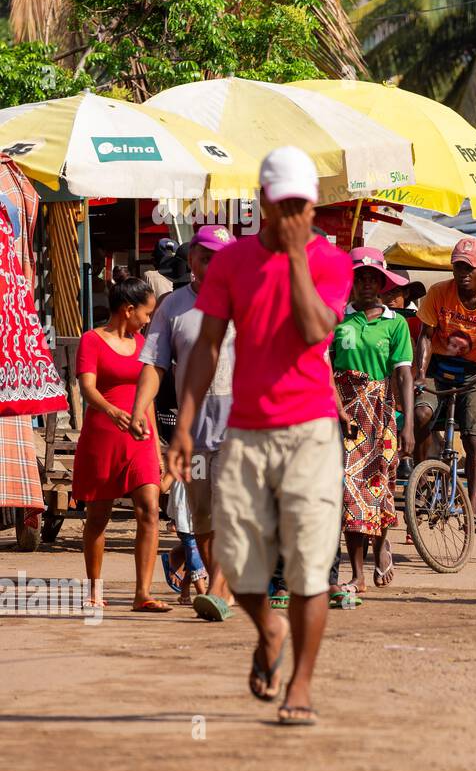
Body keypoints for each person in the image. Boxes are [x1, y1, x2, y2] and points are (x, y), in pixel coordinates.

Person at [169, 145, 353, 726]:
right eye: (283, 204)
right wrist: (186, 424)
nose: (295, 213)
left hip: (311, 430)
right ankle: (267, 627)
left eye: (303, 204)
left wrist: (297, 258)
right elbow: (207, 346)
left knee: (307, 563)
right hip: (246, 429)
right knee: (236, 559)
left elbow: (313, 329)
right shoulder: (231, 263)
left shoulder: (330, 260)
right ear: (262, 205)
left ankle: (300, 683)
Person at [132, 225, 237, 623]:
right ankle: (221, 588)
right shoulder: (172, 307)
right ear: (191, 260)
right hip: (192, 432)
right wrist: (141, 408)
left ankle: (216, 589)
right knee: (204, 516)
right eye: (207, 256)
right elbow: (155, 364)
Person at [73, 277, 167, 611]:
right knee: (98, 516)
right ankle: (94, 589)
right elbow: (87, 389)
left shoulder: (145, 344)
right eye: (146, 312)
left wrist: (157, 448)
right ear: (128, 309)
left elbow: (150, 397)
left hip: (140, 436)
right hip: (103, 435)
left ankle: (143, 592)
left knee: (150, 509)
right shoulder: (91, 340)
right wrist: (112, 411)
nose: (148, 319)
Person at [414, 237, 476, 532]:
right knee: (421, 415)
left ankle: (471, 509)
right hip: (438, 371)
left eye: (470, 267)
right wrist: (420, 373)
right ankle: (420, 481)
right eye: (459, 267)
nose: (464, 273)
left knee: (473, 436)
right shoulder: (438, 293)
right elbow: (424, 336)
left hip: (475, 375)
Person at [331, 247, 415, 599]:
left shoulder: (395, 324)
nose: (366, 284)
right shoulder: (337, 320)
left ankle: (382, 543)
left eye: (372, 278)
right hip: (341, 412)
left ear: (381, 283)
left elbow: (404, 375)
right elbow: (323, 367)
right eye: (360, 278)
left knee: (379, 487)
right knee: (349, 490)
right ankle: (357, 573)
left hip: (380, 413)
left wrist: (407, 422)